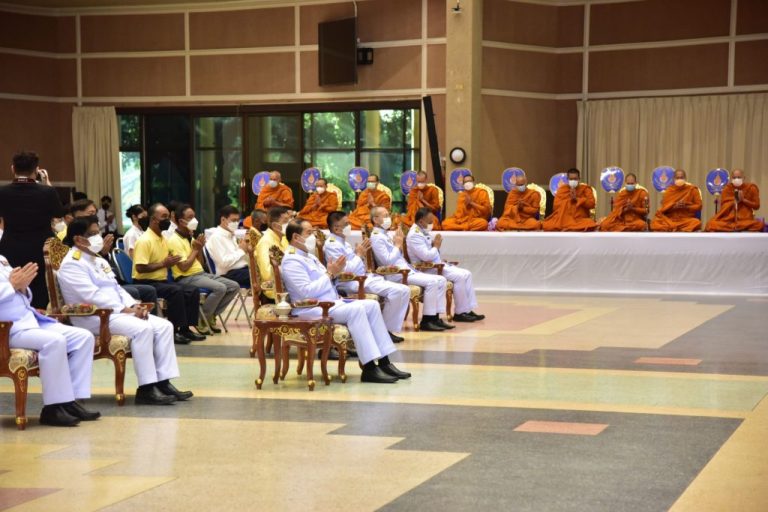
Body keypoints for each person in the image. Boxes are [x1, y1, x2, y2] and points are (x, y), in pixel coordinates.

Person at [58, 217, 193, 405]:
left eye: (99, 232)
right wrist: (125, 310)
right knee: (142, 329)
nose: (99, 237)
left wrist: (134, 305)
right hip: (96, 317)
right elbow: (92, 295)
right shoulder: (73, 263)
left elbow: (116, 288)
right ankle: (146, 389)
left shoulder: (96, 259)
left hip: (118, 313)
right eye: (93, 234)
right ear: (78, 239)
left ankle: (163, 382)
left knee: (164, 326)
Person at [281, 219, 410, 383]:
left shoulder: (309, 257)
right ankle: (369, 368)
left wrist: (334, 274)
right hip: (311, 308)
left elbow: (326, 281)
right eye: (309, 233)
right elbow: (306, 292)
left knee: (371, 305)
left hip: (329, 302)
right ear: (295, 237)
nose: (313, 236)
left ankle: (385, 362)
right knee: (356, 310)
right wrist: (329, 274)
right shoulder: (291, 260)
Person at [0, 253, 99, 426]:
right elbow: (9, 287)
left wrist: (22, 287)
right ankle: (53, 409)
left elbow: (20, 295)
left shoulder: (2, 258)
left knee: (83, 337)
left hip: (29, 320)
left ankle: (70, 402)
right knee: (54, 341)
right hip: (8, 329)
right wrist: (11, 285)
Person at [324, 211, 410, 343]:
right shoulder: (332, 244)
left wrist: (360, 257)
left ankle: (386, 330)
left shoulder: (343, 243)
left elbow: (354, 265)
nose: (350, 226)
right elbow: (343, 270)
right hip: (350, 283)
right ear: (336, 228)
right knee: (399, 290)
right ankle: (384, 332)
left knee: (404, 290)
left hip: (362, 278)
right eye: (346, 224)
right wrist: (358, 255)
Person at [369, 207, 453, 332]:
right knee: (433, 281)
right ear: (375, 219)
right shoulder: (376, 237)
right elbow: (387, 260)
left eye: (388, 214)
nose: (388, 218)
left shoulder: (384, 234)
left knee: (440, 279)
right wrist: (397, 246)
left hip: (405, 269)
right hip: (395, 273)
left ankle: (434, 317)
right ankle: (427, 320)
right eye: (385, 215)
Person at [132, 203, 205, 344]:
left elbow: (174, 260)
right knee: (175, 291)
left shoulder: (163, 239)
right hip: (145, 282)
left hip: (161, 281)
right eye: (164, 217)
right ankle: (173, 331)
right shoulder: (144, 240)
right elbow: (140, 268)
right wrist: (163, 264)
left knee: (191, 290)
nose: (168, 220)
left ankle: (186, 329)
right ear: (154, 220)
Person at [0, 151, 65, 308]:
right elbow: (58, 214)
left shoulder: (2, 192)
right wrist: (46, 182)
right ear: (36, 170)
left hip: (11, 247)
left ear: (12, 168)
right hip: (41, 247)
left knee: (13, 284)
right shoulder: (47, 192)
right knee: (42, 287)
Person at [167, 204, 239, 334]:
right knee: (220, 288)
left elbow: (199, 262)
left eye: (194, 216)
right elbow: (183, 267)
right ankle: (201, 318)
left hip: (200, 273)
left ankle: (210, 315)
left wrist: (199, 249)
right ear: (180, 221)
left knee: (234, 286)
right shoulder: (174, 240)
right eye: (190, 217)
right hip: (186, 277)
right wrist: (195, 249)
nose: (194, 220)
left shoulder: (190, 237)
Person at [407, 208, 484, 322]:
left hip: (435, 264)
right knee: (460, 276)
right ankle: (460, 312)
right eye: (429, 222)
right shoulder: (415, 235)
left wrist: (438, 254)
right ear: (421, 221)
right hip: (426, 268)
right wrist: (436, 246)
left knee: (467, 273)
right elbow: (426, 256)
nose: (432, 224)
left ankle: (467, 309)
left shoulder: (422, 230)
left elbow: (430, 253)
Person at [205, 205, 252, 288]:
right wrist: (241, 251)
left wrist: (248, 251)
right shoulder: (216, 237)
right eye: (233, 220)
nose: (236, 223)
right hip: (228, 274)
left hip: (241, 270)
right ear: (223, 220)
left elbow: (240, 257)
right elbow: (223, 263)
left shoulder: (232, 235)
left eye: (238, 220)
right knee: (260, 277)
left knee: (263, 272)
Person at [254, 206, 291, 300]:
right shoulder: (266, 242)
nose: (290, 224)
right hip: (276, 289)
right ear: (275, 225)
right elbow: (267, 274)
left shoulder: (283, 239)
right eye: (286, 221)